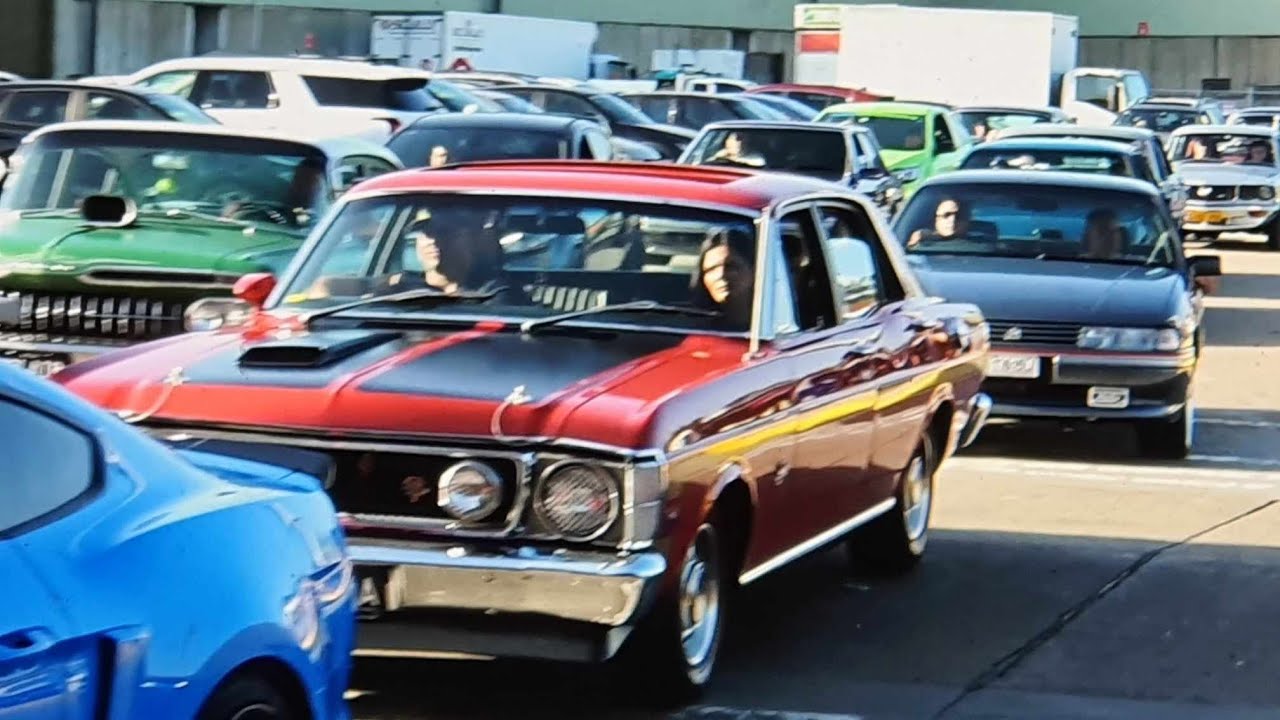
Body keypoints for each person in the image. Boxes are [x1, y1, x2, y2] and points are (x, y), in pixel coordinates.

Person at [690, 227, 755, 329]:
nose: (721, 275)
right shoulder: (691, 328)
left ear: (753, 270)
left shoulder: (779, 321)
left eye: (730, 267)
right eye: (711, 269)